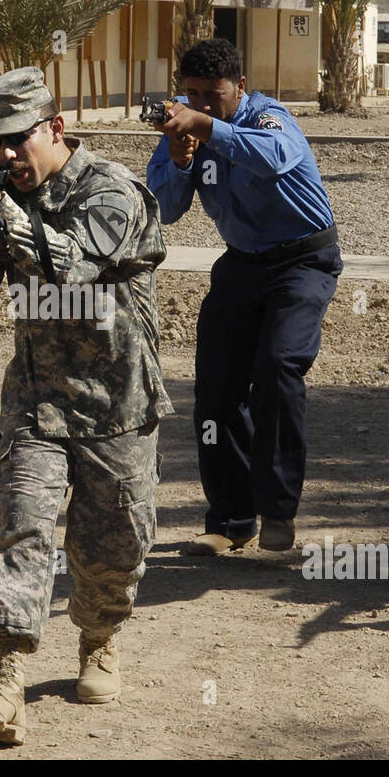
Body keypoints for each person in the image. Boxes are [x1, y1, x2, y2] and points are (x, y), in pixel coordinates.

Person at [0, 66, 170, 746]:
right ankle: (5, 678)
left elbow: (70, 262)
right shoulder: (7, 194)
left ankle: (98, 635)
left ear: (56, 128)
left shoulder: (114, 190)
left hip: (117, 404)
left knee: (114, 551)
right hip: (37, 403)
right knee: (23, 529)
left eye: (17, 140)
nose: (6, 155)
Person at [147, 38, 341, 557]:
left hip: (303, 261)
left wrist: (205, 128)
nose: (202, 104)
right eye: (192, 94)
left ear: (242, 89)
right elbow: (163, 210)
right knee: (215, 387)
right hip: (240, 265)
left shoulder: (269, 117)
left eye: (214, 94)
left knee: (278, 368)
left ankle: (278, 511)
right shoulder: (182, 129)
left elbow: (275, 159)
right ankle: (231, 520)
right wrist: (179, 159)